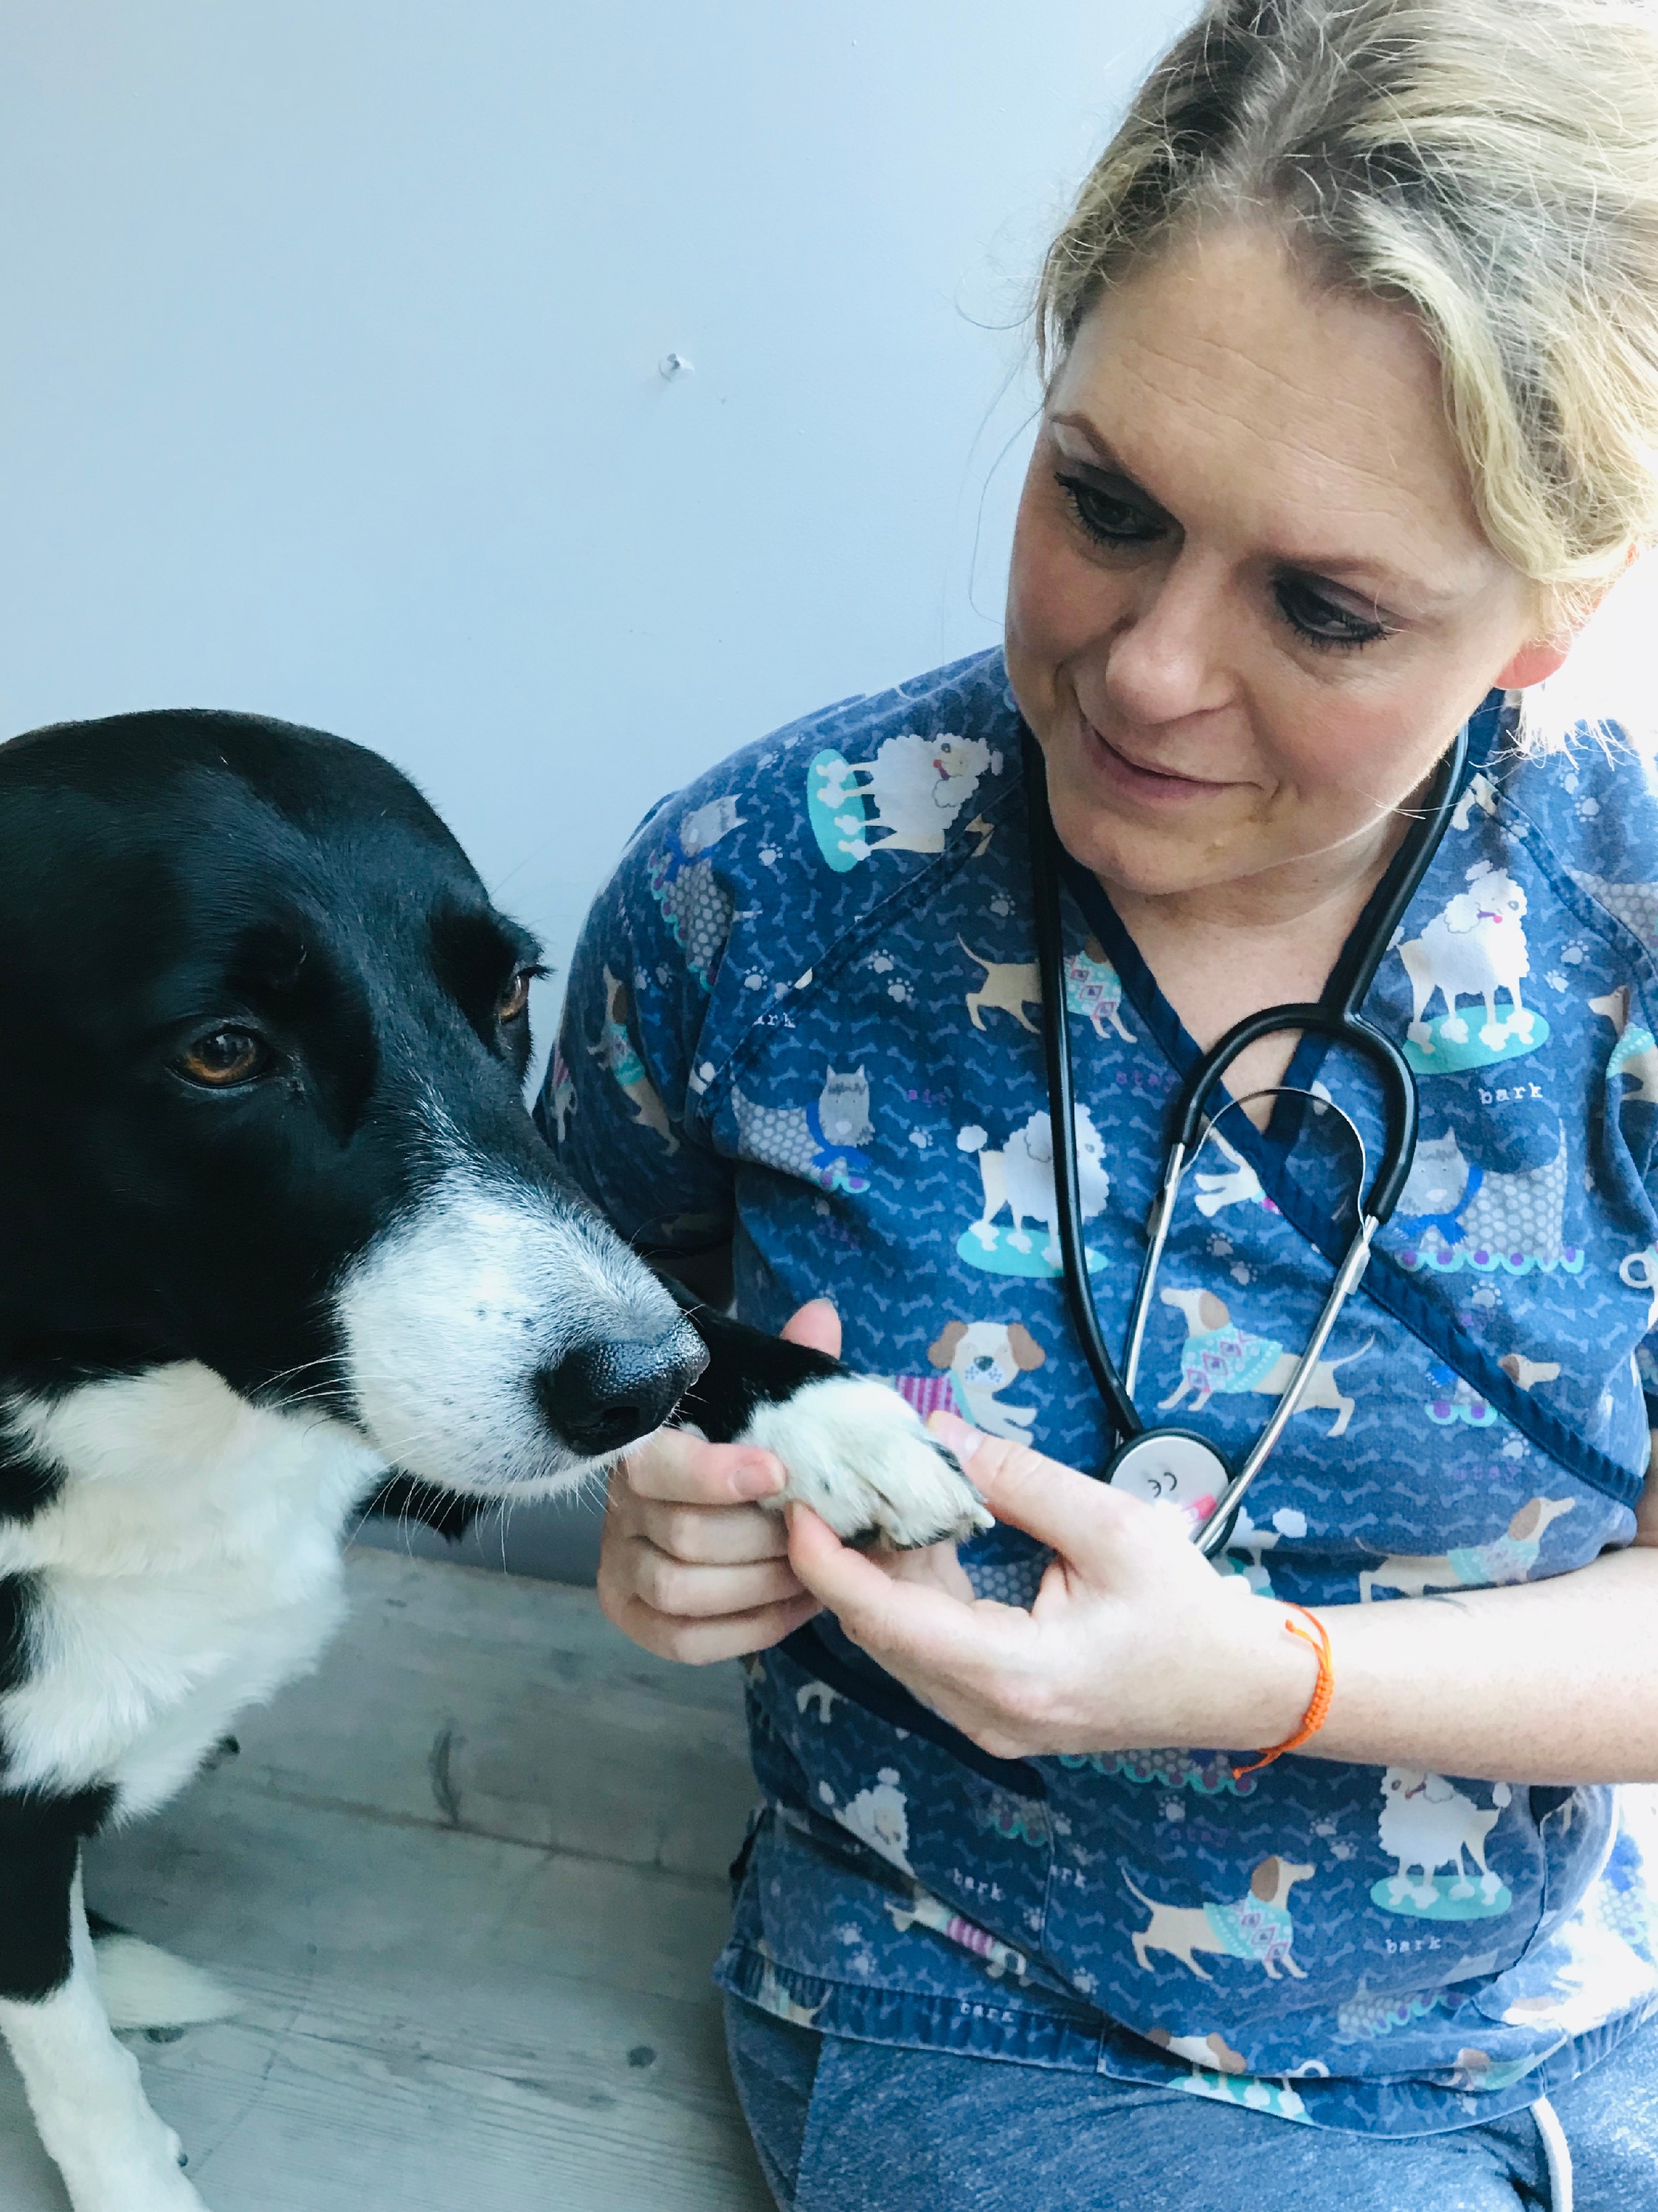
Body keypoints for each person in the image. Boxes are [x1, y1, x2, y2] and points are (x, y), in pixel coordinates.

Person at [539, 1, 1658, 2202]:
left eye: (1326, 609)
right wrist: (656, 1515)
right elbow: (610, 1374)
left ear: (1540, 622)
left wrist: (1268, 1673)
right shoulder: (756, 899)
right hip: (998, 2015)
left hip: (1579, 2010)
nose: (1147, 669)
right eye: (1105, 502)